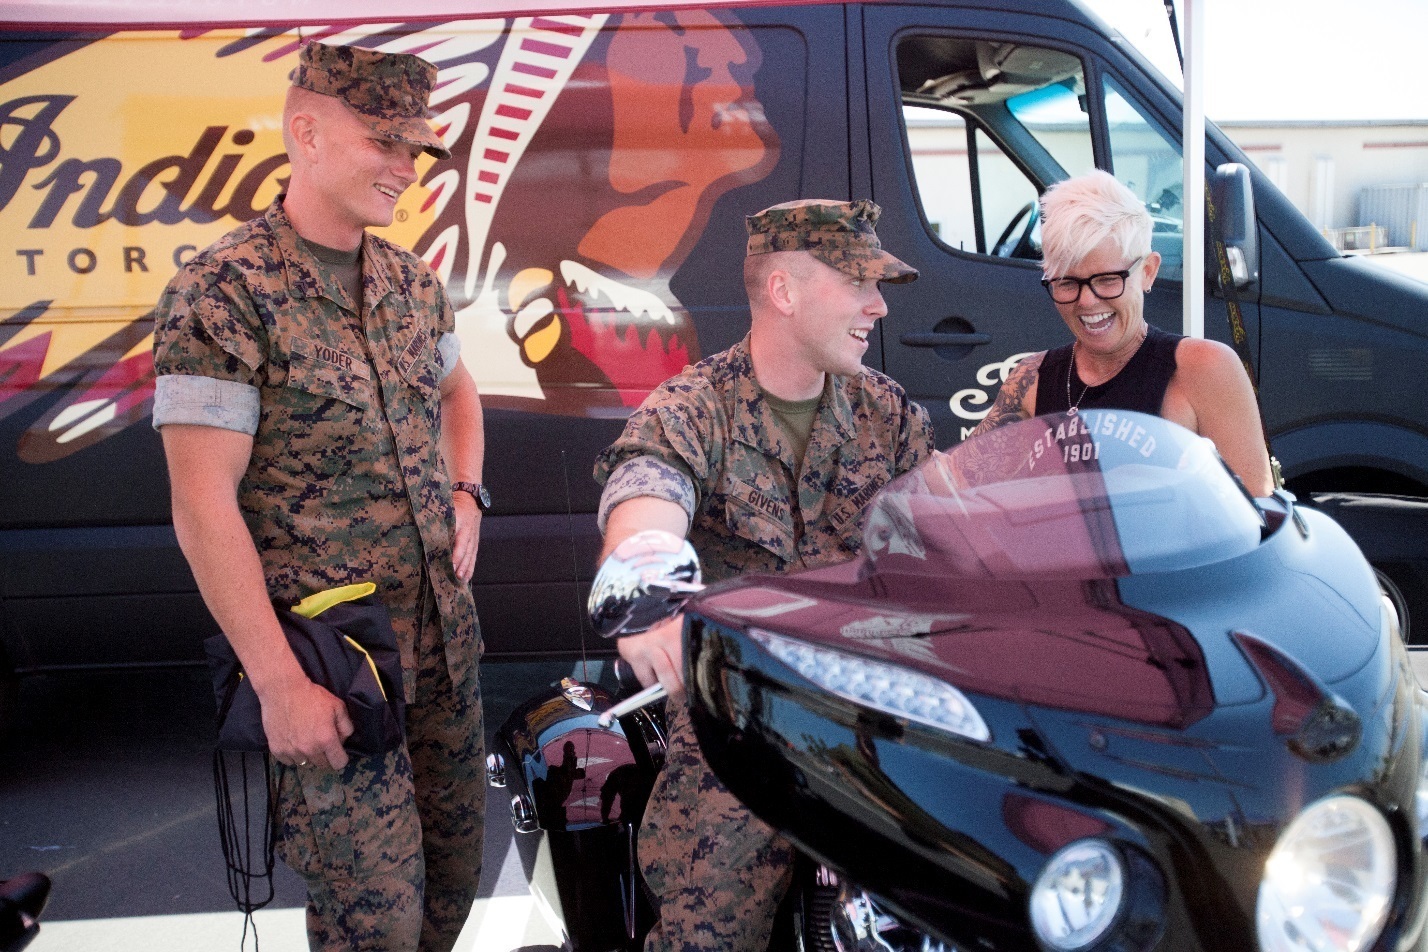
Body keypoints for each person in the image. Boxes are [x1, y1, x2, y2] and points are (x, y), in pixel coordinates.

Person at [152, 42, 486, 952]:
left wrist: (466, 492)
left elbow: (460, 395)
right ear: (306, 133)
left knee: (450, 895)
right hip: (333, 669)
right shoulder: (224, 293)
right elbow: (202, 507)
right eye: (385, 143)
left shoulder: (410, 284)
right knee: (375, 925)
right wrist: (277, 685)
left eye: (415, 150)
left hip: (443, 658)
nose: (405, 169)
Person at [592, 198, 936, 950]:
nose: (878, 306)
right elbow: (647, 491)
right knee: (709, 929)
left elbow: (952, 524)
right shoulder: (696, 408)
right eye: (858, 284)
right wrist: (649, 588)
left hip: (872, 715)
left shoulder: (886, 412)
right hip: (741, 720)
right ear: (783, 291)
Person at [971, 170, 1275, 496]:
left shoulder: (1204, 368)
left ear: (1148, 272)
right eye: (1067, 283)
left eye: (1107, 280)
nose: (1087, 301)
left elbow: (1258, 508)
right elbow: (959, 480)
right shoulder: (1031, 377)